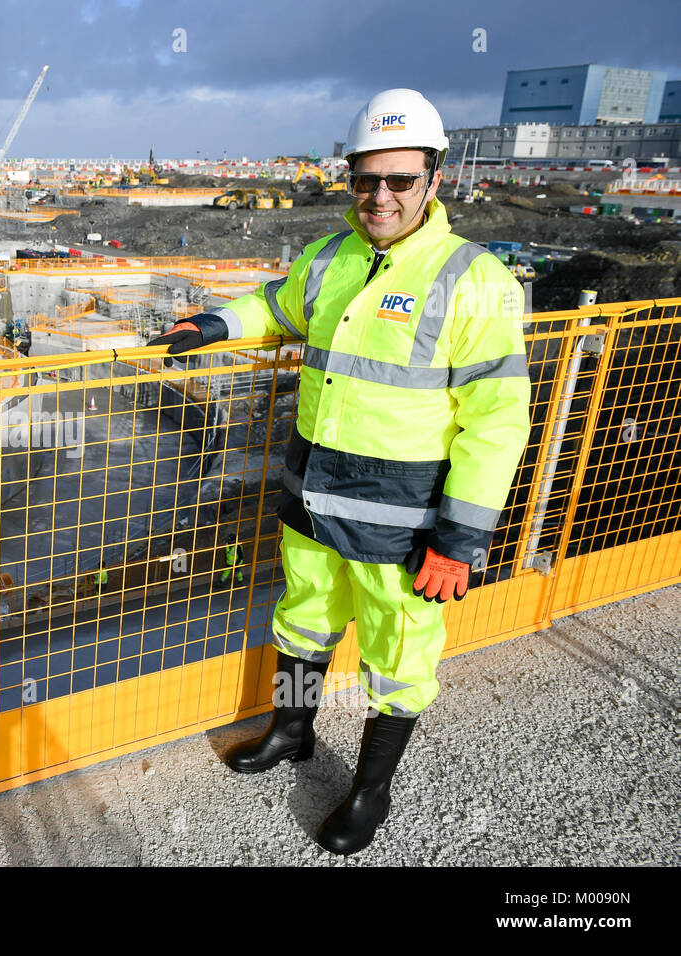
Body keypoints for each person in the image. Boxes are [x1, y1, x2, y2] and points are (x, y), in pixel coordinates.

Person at [149, 89, 530, 855]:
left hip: (403, 523)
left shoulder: (473, 278)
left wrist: (460, 539)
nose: (379, 196)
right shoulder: (332, 257)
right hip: (311, 501)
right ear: (350, 178)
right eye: (365, 180)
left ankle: (370, 789)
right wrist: (216, 323)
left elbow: (497, 420)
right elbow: (275, 305)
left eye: (398, 181)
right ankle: (293, 729)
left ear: (434, 179)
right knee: (304, 622)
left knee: (399, 661)